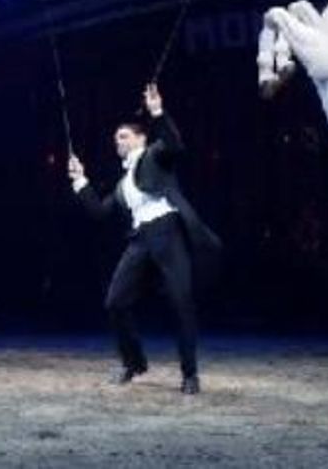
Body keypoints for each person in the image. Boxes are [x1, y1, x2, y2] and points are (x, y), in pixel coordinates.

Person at [67, 83, 221, 395]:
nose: (118, 141)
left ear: (141, 138)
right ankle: (133, 363)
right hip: (141, 240)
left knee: (181, 303)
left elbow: (174, 143)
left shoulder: (154, 156)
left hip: (167, 232)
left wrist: (157, 112)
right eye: (116, 139)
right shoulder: (123, 185)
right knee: (115, 302)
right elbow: (99, 211)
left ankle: (190, 374)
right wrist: (80, 180)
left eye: (124, 136)